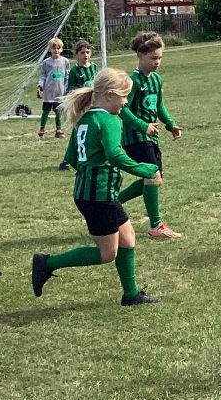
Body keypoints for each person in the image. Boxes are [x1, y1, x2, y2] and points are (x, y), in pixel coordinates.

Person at [31, 69, 160, 306]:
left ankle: (131, 294)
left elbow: (71, 157)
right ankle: (47, 263)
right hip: (99, 196)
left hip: (93, 192)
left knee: (128, 238)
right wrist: (144, 169)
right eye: (124, 97)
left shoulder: (86, 118)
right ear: (110, 95)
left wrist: (89, 170)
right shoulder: (109, 119)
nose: (125, 103)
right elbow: (115, 154)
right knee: (107, 254)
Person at [120, 33, 183, 241]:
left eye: (160, 58)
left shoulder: (156, 79)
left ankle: (114, 202)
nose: (157, 62)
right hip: (135, 138)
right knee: (153, 177)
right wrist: (142, 125)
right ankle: (156, 226)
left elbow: (159, 105)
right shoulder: (133, 81)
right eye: (153, 58)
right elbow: (122, 109)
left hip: (150, 137)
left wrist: (170, 123)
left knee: (155, 179)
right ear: (140, 55)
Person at [58, 39, 97, 172]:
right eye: (82, 53)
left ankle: (91, 156)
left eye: (87, 52)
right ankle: (67, 160)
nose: (85, 55)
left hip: (94, 104)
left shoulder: (94, 67)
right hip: (82, 105)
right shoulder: (75, 71)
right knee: (78, 131)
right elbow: (71, 90)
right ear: (76, 55)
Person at [36, 37, 69, 138]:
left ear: (61, 49)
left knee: (58, 111)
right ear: (50, 49)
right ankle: (41, 130)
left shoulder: (65, 61)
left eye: (58, 48)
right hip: (48, 92)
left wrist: (67, 89)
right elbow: (43, 75)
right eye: (54, 48)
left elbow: (67, 76)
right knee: (45, 111)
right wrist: (40, 86)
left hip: (60, 92)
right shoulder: (46, 62)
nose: (56, 50)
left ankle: (59, 130)